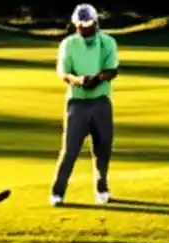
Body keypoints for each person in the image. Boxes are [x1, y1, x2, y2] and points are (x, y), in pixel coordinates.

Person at [50, 3, 120, 207]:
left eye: (87, 25)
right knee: (70, 150)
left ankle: (102, 189)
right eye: (80, 26)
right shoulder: (68, 44)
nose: (83, 29)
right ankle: (57, 192)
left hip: (101, 102)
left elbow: (112, 70)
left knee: (103, 148)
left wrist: (97, 78)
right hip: (77, 103)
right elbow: (64, 73)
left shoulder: (107, 42)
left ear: (95, 23)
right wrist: (79, 81)